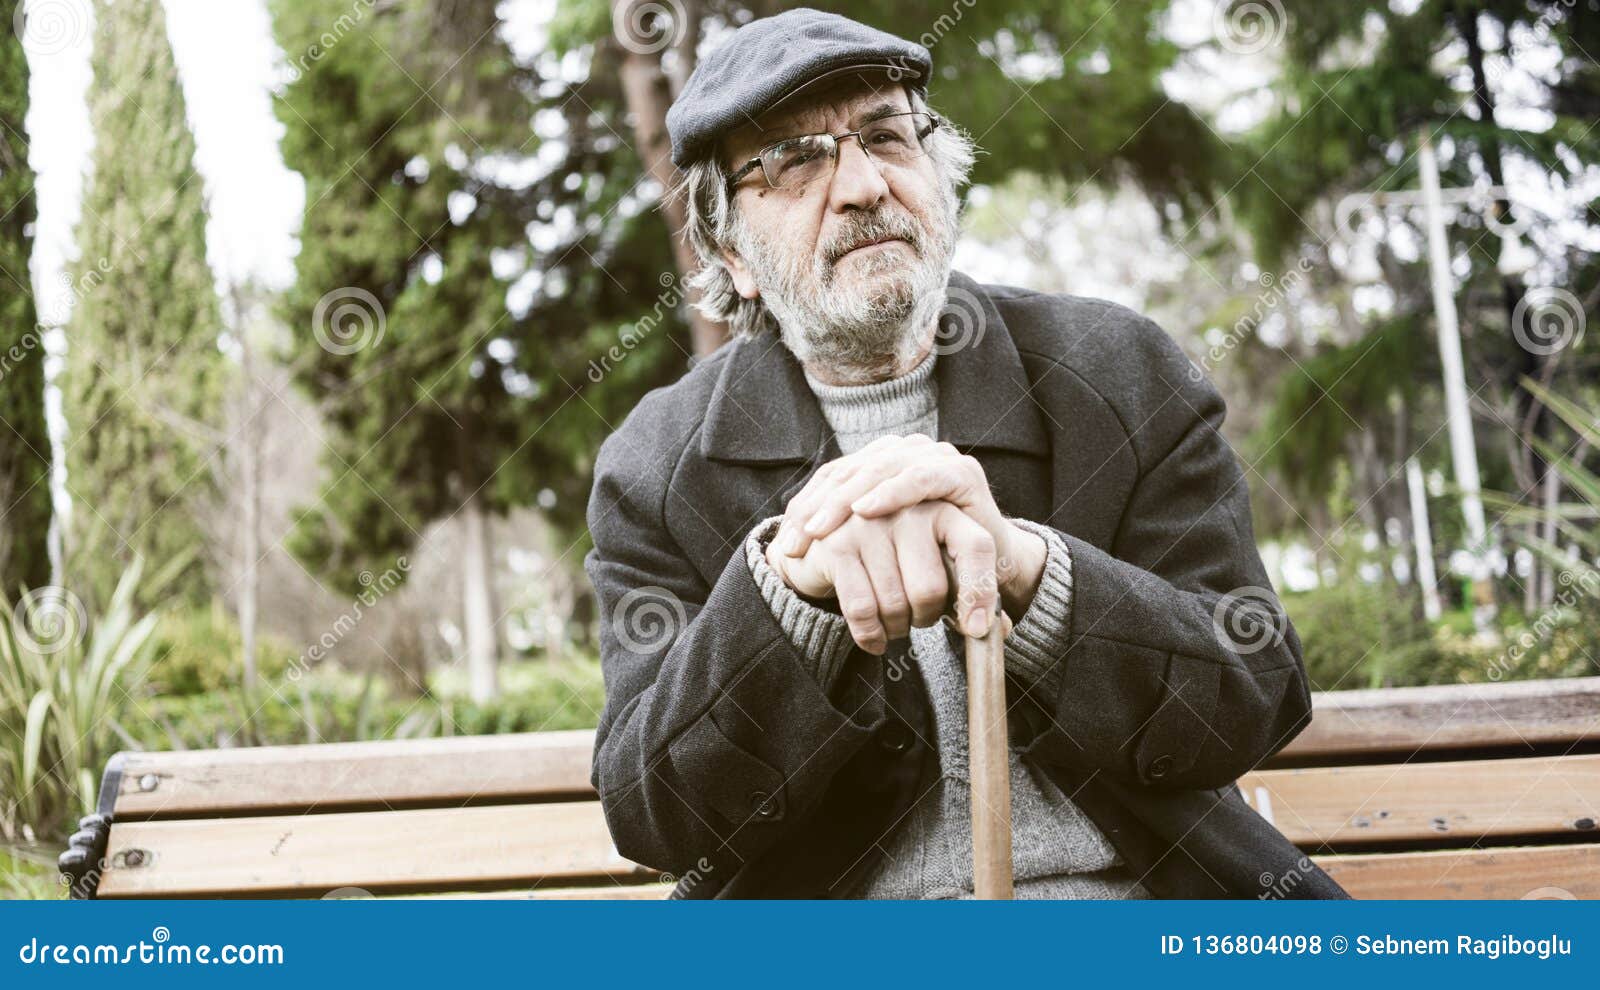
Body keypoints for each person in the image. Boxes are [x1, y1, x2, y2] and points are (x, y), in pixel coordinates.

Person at [584, 7, 1348, 900]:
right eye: (794, 158)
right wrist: (786, 602)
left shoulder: (1120, 373)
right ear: (729, 251)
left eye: (886, 136)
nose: (865, 184)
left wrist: (1039, 577)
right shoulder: (656, 465)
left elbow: (1255, 692)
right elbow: (654, 816)